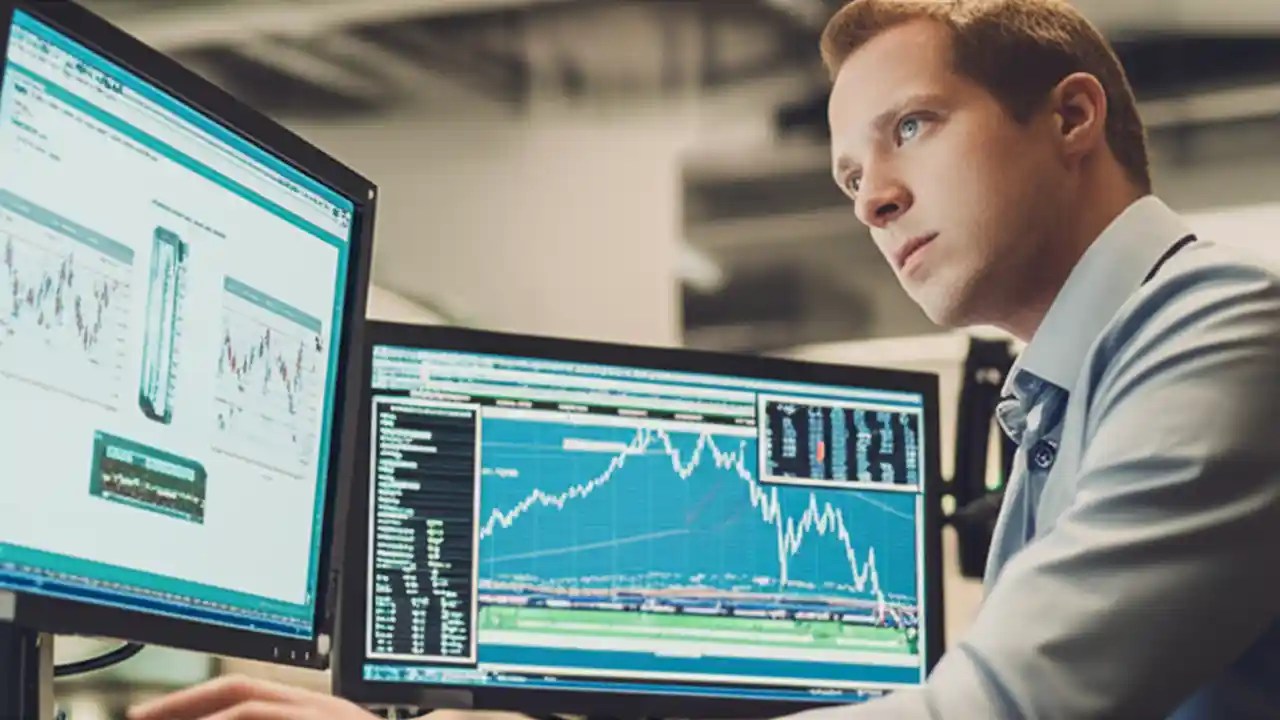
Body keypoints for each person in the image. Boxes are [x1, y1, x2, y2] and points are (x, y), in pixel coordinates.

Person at [126, 0, 1280, 718]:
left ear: (1070, 116)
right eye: (844, 176)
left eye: (909, 127)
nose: (873, 196)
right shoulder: (1066, 392)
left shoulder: (1221, 329)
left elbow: (1009, 708)